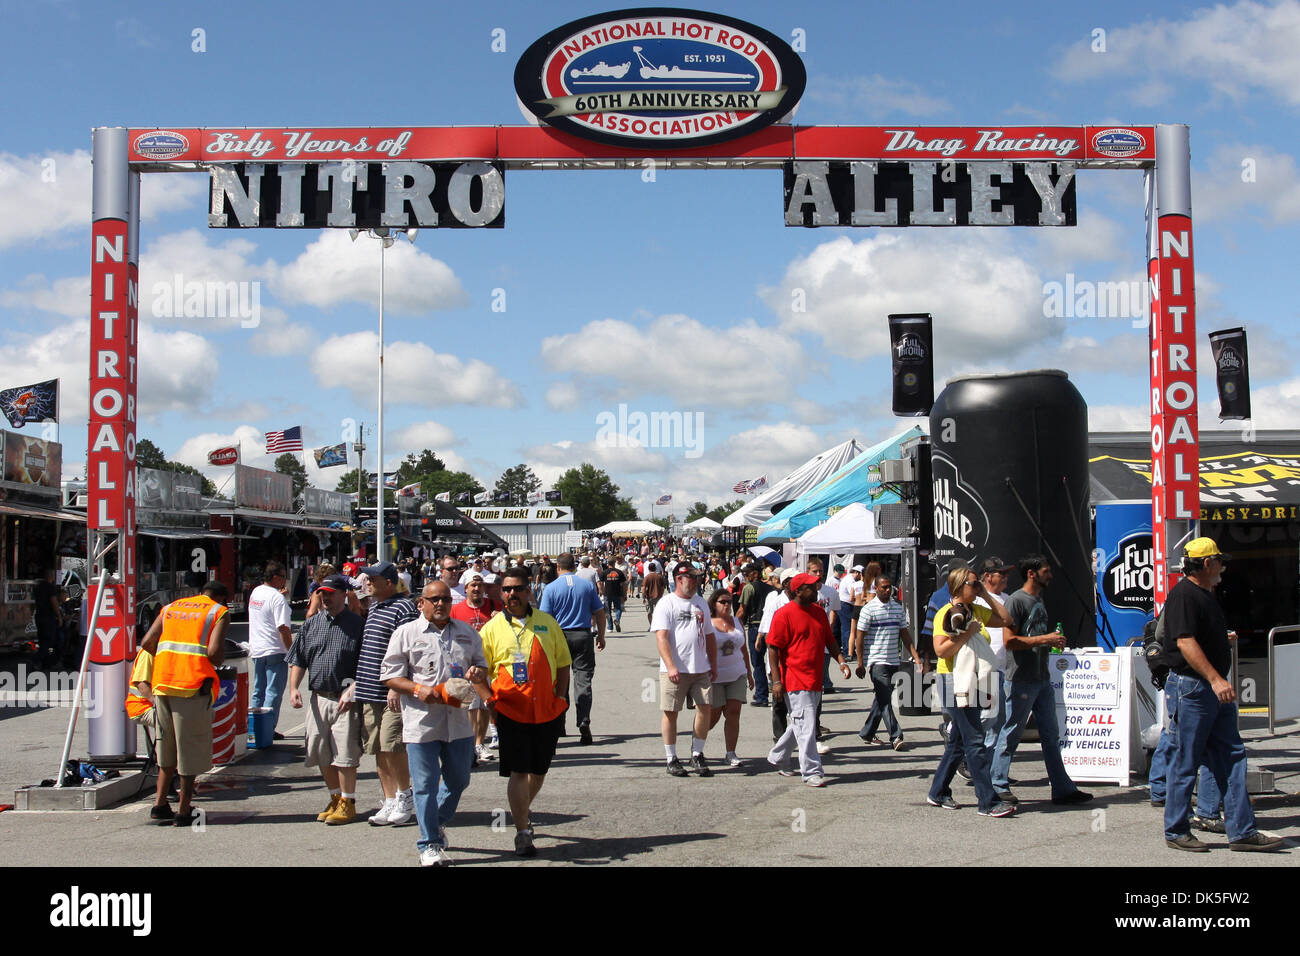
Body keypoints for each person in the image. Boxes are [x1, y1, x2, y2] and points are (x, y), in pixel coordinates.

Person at [1161, 538, 1284, 852]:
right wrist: (1216, 679)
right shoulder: (1185, 595)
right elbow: (1185, 642)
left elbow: (1195, 637)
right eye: (1219, 561)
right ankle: (1176, 831)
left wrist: (1219, 644)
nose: (1222, 567)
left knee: (1232, 757)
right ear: (1206, 564)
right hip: (1195, 688)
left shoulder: (1202, 593)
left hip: (1209, 689)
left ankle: (1242, 830)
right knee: (1185, 760)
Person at [383, 580, 491, 866]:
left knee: (459, 780)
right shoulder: (406, 634)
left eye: (445, 599)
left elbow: (481, 665)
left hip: (458, 723)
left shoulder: (467, 633)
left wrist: (477, 672)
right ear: (422, 603)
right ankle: (428, 843)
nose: (440, 604)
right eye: (434, 599)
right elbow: (390, 675)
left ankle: (437, 821)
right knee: (425, 785)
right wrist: (418, 689)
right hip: (422, 723)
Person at [480, 567, 571, 858]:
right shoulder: (492, 628)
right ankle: (522, 832)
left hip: (546, 710)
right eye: (506, 589)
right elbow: (479, 670)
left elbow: (563, 663)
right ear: (501, 593)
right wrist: (490, 701)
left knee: (539, 770)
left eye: (518, 589)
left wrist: (560, 698)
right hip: (511, 712)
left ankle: (521, 809)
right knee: (519, 770)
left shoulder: (547, 622)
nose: (512, 594)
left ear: (528, 590)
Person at [990, 555, 1092, 807]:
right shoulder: (1016, 601)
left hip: (1041, 677)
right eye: (1046, 571)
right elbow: (1009, 641)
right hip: (1021, 678)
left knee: (1050, 734)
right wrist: (1045, 639)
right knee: (1012, 731)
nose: (1051, 575)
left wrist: (1050, 641)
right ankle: (997, 785)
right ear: (1032, 574)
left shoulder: (1038, 599)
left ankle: (1062, 788)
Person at [138, 580, 230, 826]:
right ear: (221, 598)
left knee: (165, 748)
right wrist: (211, 663)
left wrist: (171, 660)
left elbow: (147, 642)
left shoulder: (170, 608)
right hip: (192, 687)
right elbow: (214, 653)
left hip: (162, 685)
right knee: (189, 750)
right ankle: (184, 809)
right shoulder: (218, 612)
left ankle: (159, 804)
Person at [926, 565, 1015, 817]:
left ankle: (938, 791)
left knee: (958, 743)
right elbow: (941, 650)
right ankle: (987, 801)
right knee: (975, 741)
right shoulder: (947, 611)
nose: (976, 587)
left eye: (977, 583)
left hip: (973, 679)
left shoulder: (976, 609)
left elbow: (1006, 620)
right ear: (958, 586)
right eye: (972, 584)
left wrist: (986, 595)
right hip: (954, 680)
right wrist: (968, 634)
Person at [286, 574, 365, 825]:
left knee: (344, 754)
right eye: (322, 593)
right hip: (318, 697)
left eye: (331, 593)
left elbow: (367, 663)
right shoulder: (311, 624)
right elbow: (298, 658)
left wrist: (354, 688)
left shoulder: (357, 624)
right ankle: (334, 797)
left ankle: (348, 802)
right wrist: (293, 688)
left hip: (345, 698)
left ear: (344, 594)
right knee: (320, 751)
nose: (326, 598)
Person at [766, 573, 851, 786]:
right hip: (794, 679)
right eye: (812, 588)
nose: (816, 591)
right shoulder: (783, 614)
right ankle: (811, 771)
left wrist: (841, 661)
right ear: (798, 591)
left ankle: (778, 756)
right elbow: (773, 649)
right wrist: (776, 681)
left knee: (801, 722)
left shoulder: (819, 612)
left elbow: (829, 640)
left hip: (815, 678)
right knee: (807, 725)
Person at [352, 561, 419, 826]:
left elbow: (410, 650)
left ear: (389, 582)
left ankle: (405, 796)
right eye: (367, 579)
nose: (367, 583)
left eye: (373, 579)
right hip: (369, 690)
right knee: (378, 748)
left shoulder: (403, 607)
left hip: (391, 691)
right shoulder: (375, 607)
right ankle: (389, 799)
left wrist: (397, 684)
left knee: (393, 746)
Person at [651, 564, 718, 778]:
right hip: (675, 669)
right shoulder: (667, 603)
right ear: (680, 579)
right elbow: (661, 638)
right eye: (692, 578)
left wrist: (713, 664)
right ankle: (671, 757)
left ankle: (697, 753)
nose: (696, 581)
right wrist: (671, 666)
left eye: (697, 577)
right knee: (671, 712)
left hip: (700, 668)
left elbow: (709, 636)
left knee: (705, 708)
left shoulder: (701, 604)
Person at [539, 552, 606, 745]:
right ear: (575, 566)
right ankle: (583, 720)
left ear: (558, 567)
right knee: (583, 679)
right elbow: (600, 612)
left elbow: (545, 619)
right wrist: (600, 635)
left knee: (560, 680)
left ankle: (559, 722)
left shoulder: (551, 588)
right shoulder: (586, 586)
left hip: (559, 636)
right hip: (582, 634)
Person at [856, 573, 922, 750]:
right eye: (883, 587)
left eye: (889, 587)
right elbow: (859, 638)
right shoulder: (868, 609)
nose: (887, 590)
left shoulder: (898, 608)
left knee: (881, 698)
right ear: (875, 588)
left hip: (894, 660)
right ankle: (896, 736)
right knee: (885, 701)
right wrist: (860, 663)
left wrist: (916, 656)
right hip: (877, 662)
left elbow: (905, 635)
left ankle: (867, 732)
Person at [450, 572, 502, 763]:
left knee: (486, 704)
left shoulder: (495, 607)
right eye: (473, 585)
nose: (477, 588)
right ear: (466, 589)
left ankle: (479, 743)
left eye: (479, 585)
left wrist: (501, 617)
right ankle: (472, 744)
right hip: (467, 665)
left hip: (490, 662)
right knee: (472, 705)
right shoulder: (457, 610)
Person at [706, 588, 753, 767]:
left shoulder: (737, 622)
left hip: (737, 673)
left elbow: (744, 649)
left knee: (734, 713)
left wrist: (749, 673)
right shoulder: (708, 623)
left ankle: (730, 753)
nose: (727, 605)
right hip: (714, 676)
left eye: (729, 602)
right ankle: (698, 744)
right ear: (714, 604)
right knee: (713, 715)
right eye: (722, 602)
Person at [973, 557, 1014, 754]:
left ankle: (989, 768)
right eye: (1002, 573)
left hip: (1005, 669)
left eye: (1007, 573)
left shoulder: (1007, 599)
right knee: (988, 717)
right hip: (983, 669)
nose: (1006, 577)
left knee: (999, 722)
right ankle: (956, 734)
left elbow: (1010, 622)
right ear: (987, 576)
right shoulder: (976, 600)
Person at [247, 561, 292, 740]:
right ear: (275, 577)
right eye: (283, 577)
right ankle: (267, 728)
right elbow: (283, 628)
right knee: (273, 692)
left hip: (258, 649)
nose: (285, 581)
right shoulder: (277, 598)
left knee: (259, 690)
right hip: (275, 649)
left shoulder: (257, 592)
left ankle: (254, 727)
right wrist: (292, 652)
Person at [738, 564, 772, 707]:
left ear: (755, 573)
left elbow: (742, 610)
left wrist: (734, 624)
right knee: (774, 661)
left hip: (755, 626)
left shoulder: (749, 588)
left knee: (757, 662)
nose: (745, 577)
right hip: (770, 627)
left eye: (747, 574)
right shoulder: (771, 588)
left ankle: (762, 695)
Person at [34, 567, 63, 670]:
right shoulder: (50, 587)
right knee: (49, 641)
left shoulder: (38, 587)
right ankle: (36, 661)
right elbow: (54, 602)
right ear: (51, 577)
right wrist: (59, 616)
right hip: (48, 617)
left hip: (39, 616)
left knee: (42, 640)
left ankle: (45, 664)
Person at [603, 559, 628, 632]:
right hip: (617, 593)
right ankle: (617, 620)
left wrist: (601, 592)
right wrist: (624, 594)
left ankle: (610, 627)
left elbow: (601, 583)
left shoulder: (604, 572)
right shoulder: (619, 572)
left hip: (607, 593)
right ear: (615, 563)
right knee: (618, 608)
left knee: (607, 610)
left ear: (608, 563)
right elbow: (624, 584)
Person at [642, 560, 667, 627]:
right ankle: (658, 625)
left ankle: (651, 625)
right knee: (659, 612)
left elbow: (644, 588)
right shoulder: (659, 576)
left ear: (648, 569)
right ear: (655, 568)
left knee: (649, 612)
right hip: (658, 596)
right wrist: (661, 594)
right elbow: (663, 587)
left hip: (649, 597)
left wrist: (643, 596)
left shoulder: (647, 577)